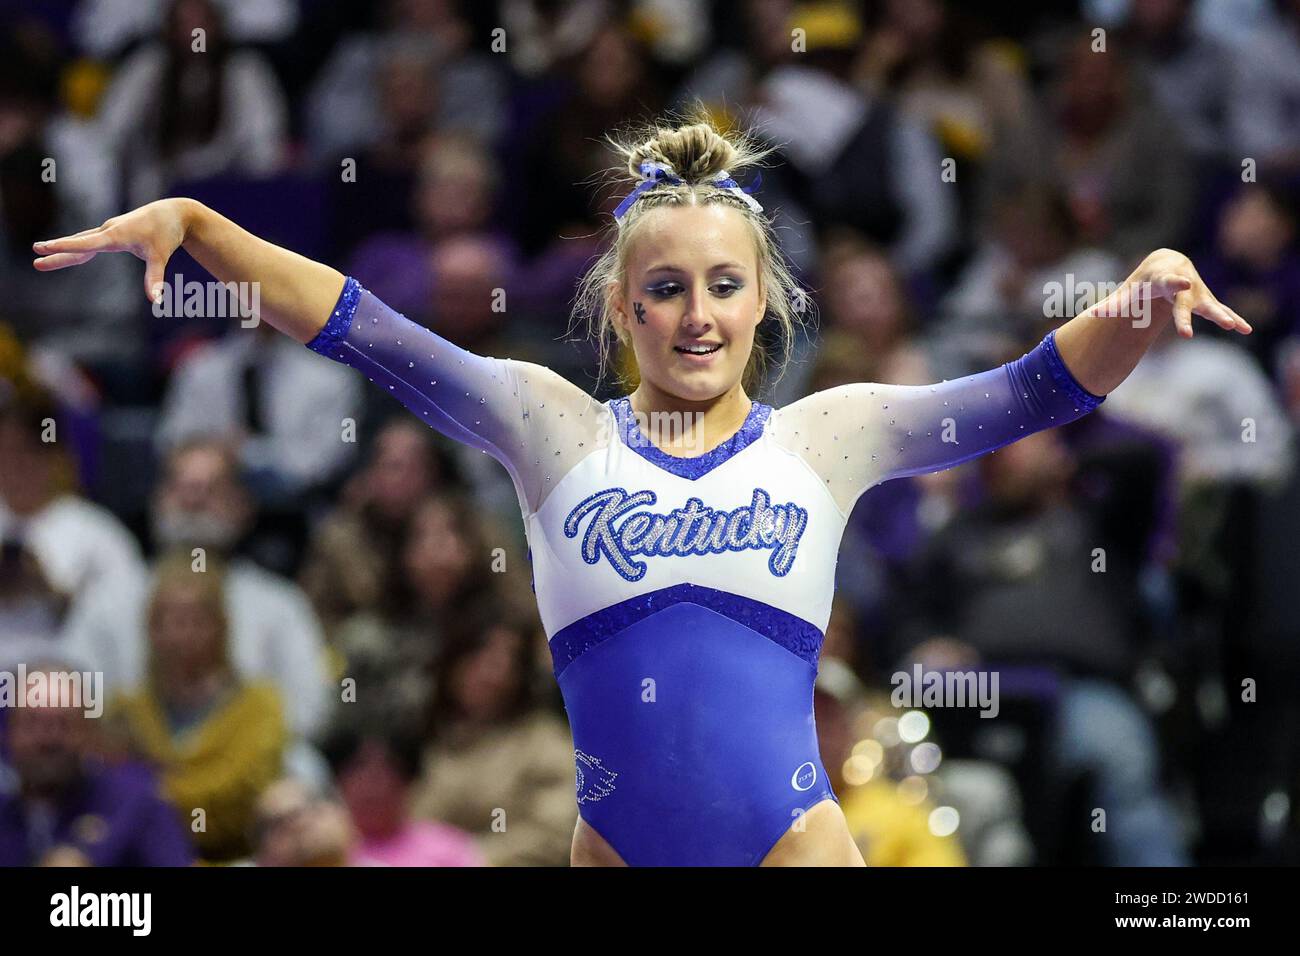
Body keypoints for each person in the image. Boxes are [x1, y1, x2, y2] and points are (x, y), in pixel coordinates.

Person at [31, 111, 1253, 866]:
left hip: (796, 847)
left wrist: (1137, 296)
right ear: (620, 306)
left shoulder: (832, 434)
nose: (695, 315)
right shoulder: (550, 425)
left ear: (764, 303)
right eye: (663, 288)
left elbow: (1032, 393)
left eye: (723, 286)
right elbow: (361, 327)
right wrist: (198, 220)